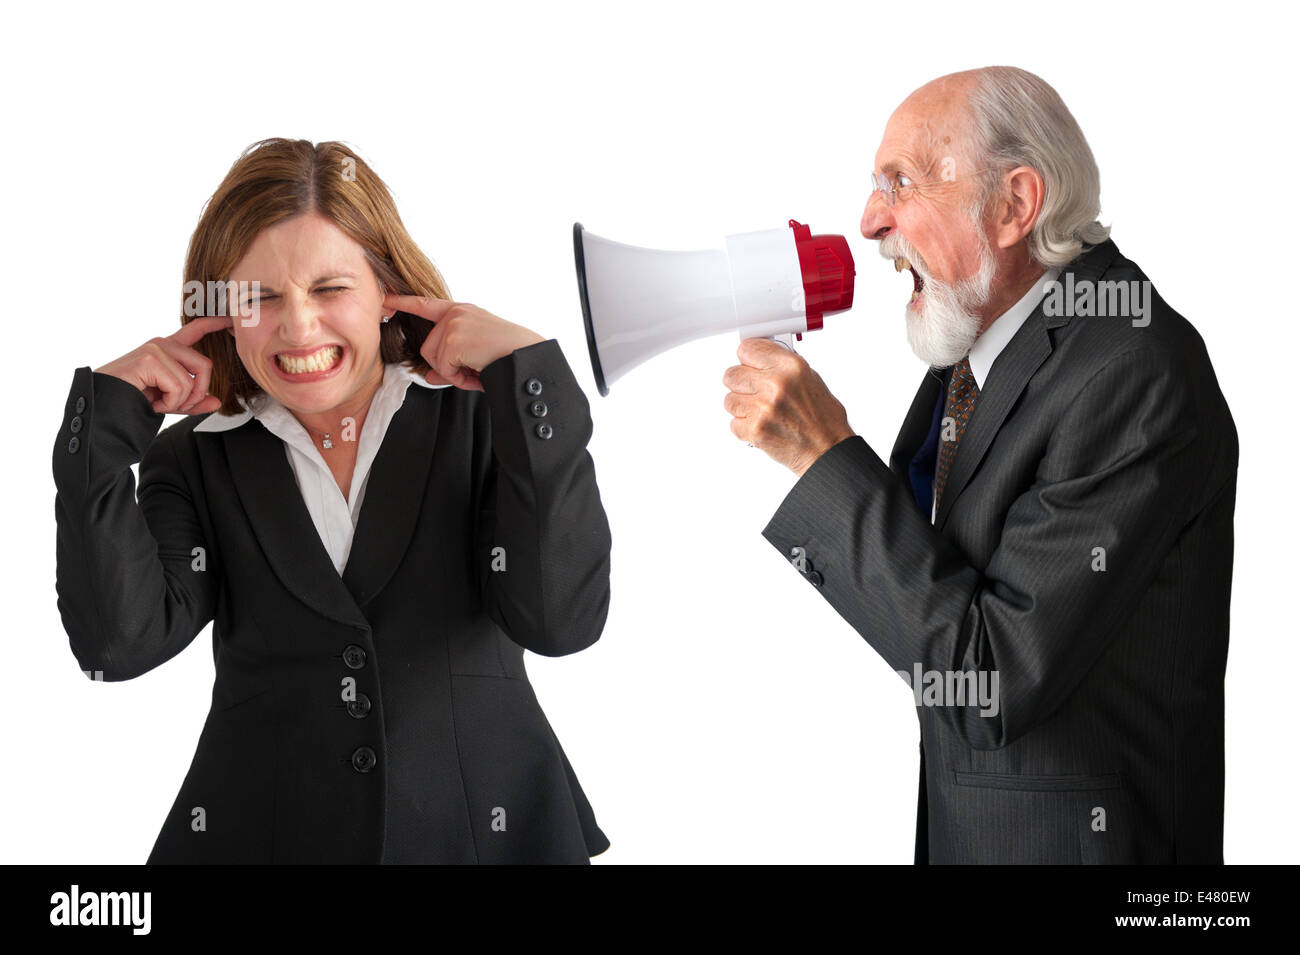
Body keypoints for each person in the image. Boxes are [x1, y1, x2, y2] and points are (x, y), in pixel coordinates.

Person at [723, 67, 1237, 863]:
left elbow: (990, 677)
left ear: (1014, 205)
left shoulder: (1135, 371)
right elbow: (936, 595)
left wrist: (823, 456)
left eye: (901, 182)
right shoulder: (983, 351)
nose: (867, 220)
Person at [52, 138, 612, 864]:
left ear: (387, 291)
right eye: (259, 297)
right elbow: (119, 645)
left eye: (329, 288)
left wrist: (532, 381)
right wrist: (98, 434)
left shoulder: (484, 423)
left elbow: (560, 622)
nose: (299, 326)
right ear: (221, 312)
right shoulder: (194, 456)